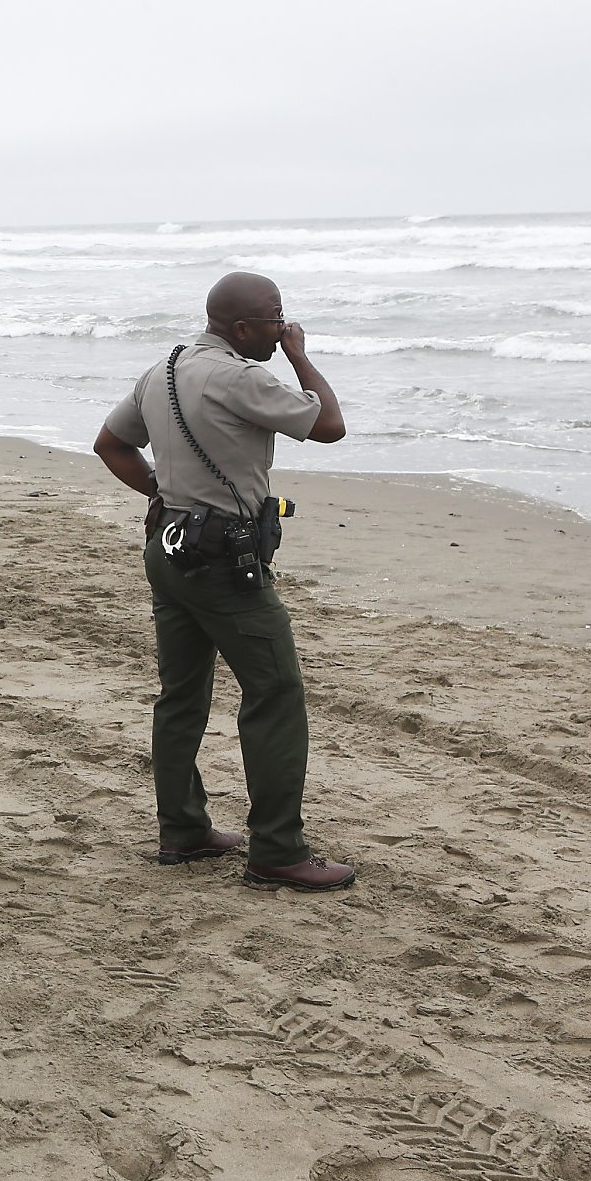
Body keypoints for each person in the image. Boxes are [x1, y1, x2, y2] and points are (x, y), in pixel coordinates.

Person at [91, 271, 356, 892]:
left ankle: (182, 828)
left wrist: (165, 494)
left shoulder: (165, 370)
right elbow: (328, 424)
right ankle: (277, 849)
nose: (283, 327)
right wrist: (300, 355)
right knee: (276, 693)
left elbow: (110, 444)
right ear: (243, 328)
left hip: (169, 547)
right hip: (223, 565)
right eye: (276, 319)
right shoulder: (242, 376)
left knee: (181, 694)